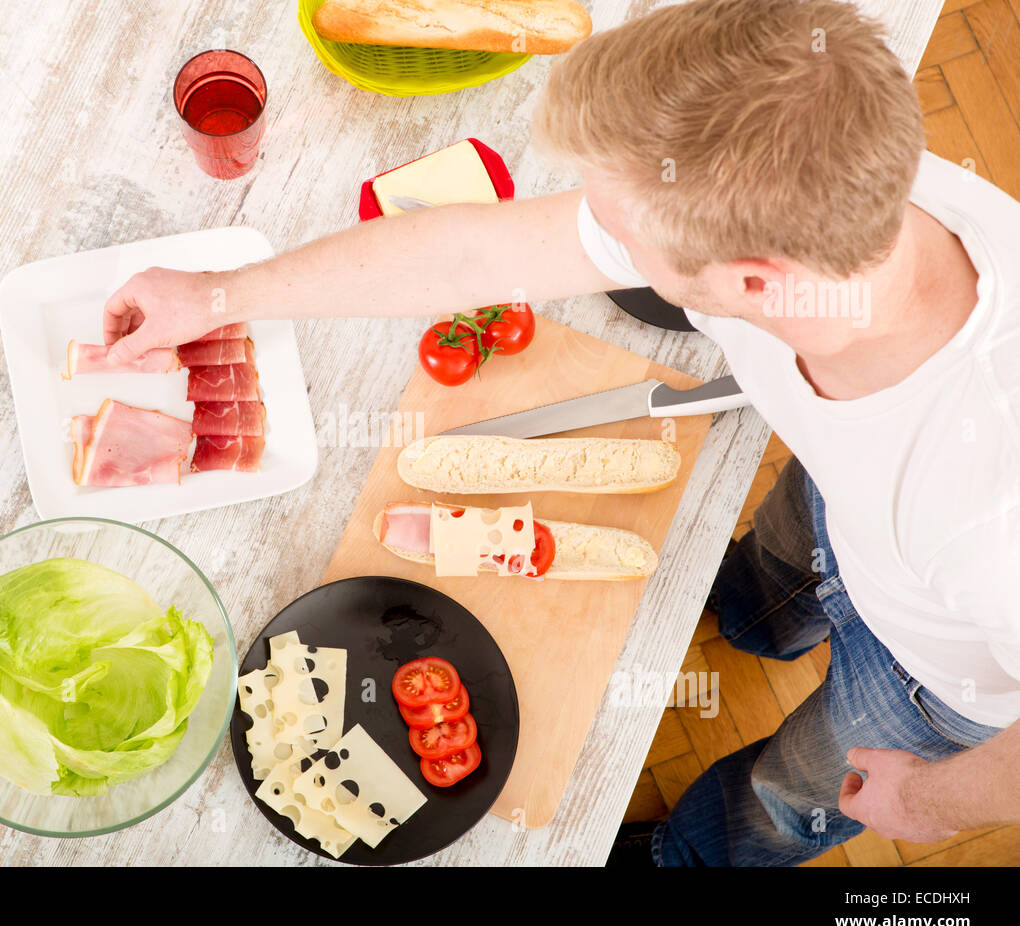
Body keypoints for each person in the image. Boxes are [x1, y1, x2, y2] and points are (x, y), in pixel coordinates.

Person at [103, 0, 1020, 865]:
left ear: (753, 284)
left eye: (624, 232)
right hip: (853, 509)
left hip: (940, 687)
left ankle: (682, 854)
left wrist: (923, 806)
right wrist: (216, 295)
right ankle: (750, 614)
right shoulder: (839, 178)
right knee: (778, 570)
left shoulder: (985, 522)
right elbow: (476, 252)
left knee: (787, 795)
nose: (597, 235)